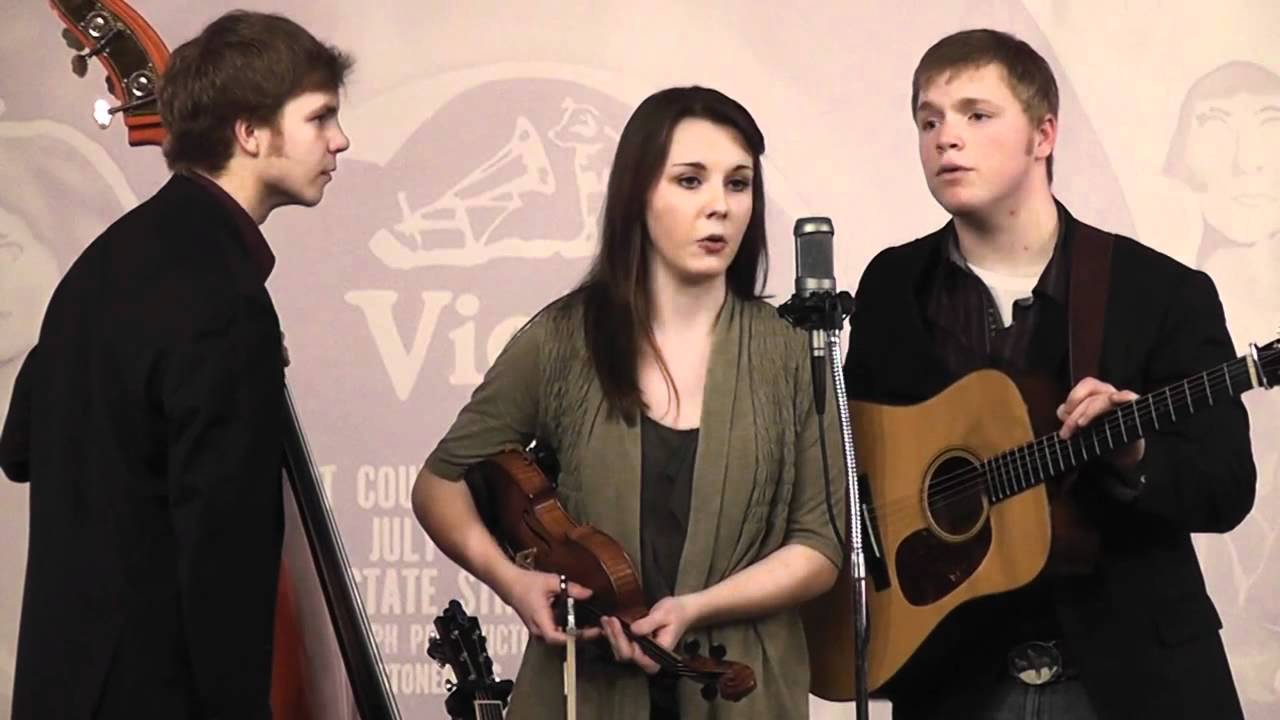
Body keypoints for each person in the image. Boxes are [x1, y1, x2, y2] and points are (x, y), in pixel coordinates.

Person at [841, 29, 1256, 719]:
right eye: (929, 119)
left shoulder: (1160, 291)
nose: (946, 137)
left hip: (1133, 681)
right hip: (952, 682)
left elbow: (1226, 488)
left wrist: (1135, 455)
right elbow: (856, 467)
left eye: (977, 114)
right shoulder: (891, 285)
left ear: (1043, 135)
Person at [412, 85, 846, 719]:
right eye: (690, 181)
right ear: (637, 193)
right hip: (586, 691)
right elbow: (438, 486)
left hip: (746, 688)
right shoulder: (563, 339)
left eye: (738, 184)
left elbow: (822, 546)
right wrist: (512, 583)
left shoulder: (793, 351)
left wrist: (698, 608)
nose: (719, 208)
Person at [0, 11, 352, 719]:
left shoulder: (103, 266)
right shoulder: (224, 300)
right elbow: (224, 561)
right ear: (250, 133)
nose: (340, 140)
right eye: (320, 118)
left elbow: (20, 447)